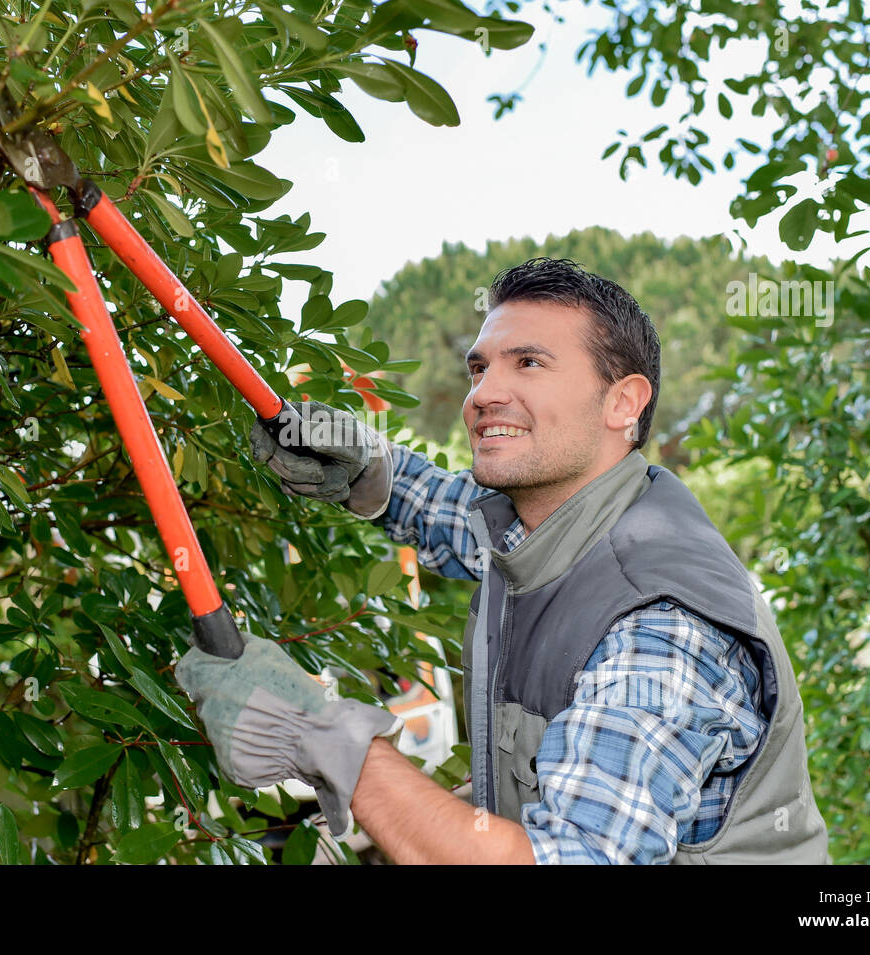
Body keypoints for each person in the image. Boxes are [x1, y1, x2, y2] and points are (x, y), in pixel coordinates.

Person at [176, 257, 829, 864]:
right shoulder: (546, 523)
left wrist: (316, 734)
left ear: (622, 402)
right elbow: (454, 515)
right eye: (479, 367)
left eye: (529, 363)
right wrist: (371, 470)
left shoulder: (659, 623)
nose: (485, 392)